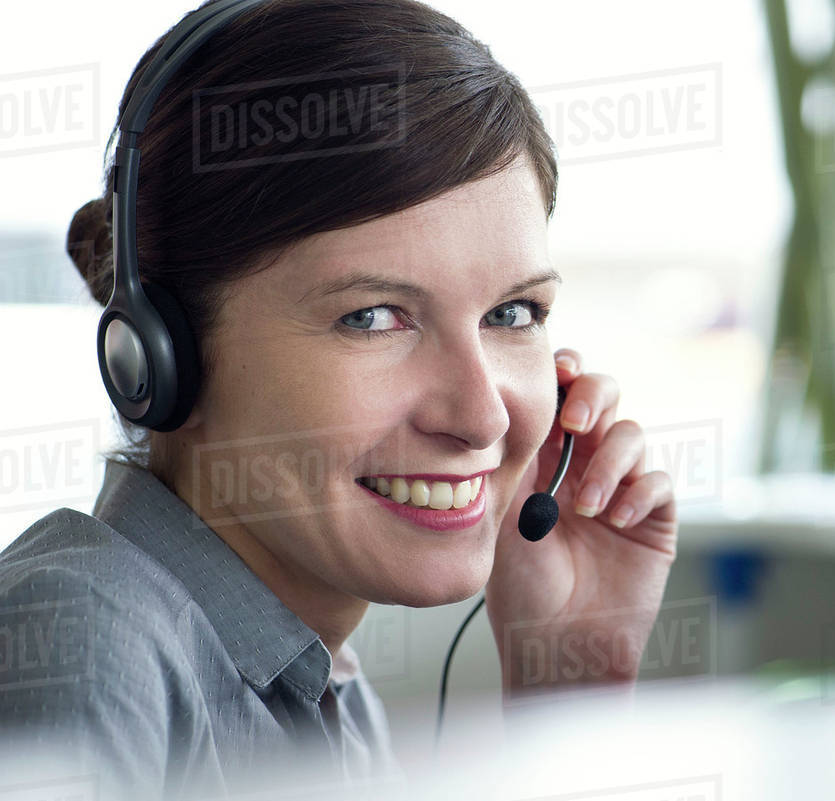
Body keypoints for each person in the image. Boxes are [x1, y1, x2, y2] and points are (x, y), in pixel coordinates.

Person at [0, 1, 678, 798]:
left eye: (511, 313)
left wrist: (566, 695)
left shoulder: (318, 683)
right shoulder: (87, 638)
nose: (484, 416)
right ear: (160, 354)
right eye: (372, 317)